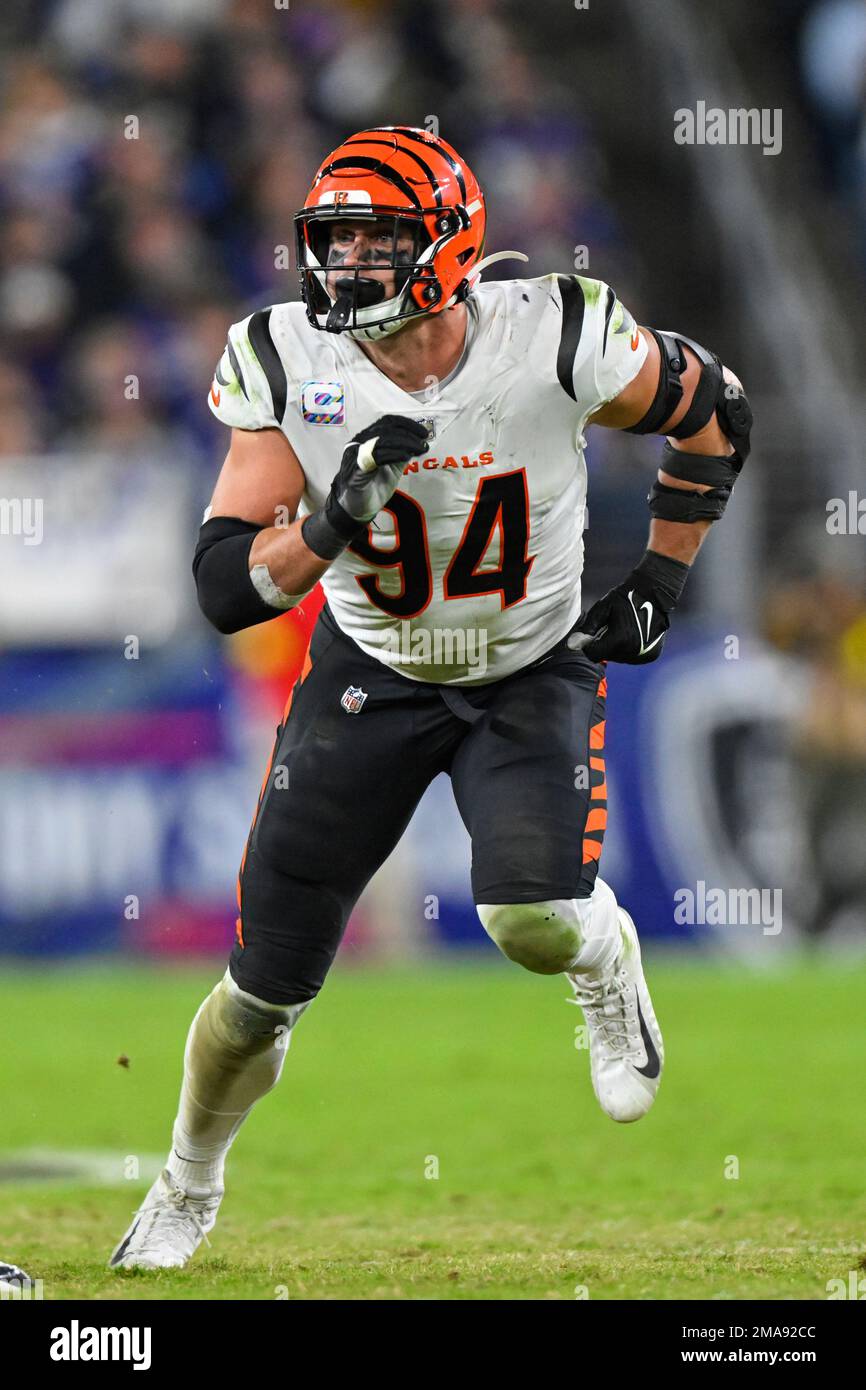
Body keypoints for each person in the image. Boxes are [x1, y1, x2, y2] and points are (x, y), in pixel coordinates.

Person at [110, 127, 751, 1270]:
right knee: (260, 990)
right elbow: (221, 586)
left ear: (447, 244)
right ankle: (186, 1182)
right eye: (334, 239)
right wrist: (325, 521)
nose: (349, 263)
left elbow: (716, 413)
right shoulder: (283, 354)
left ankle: (607, 960)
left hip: (529, 660)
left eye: (377, 238)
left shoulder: (553, 331)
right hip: (370, 670)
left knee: (530, 918)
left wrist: (660, 576)